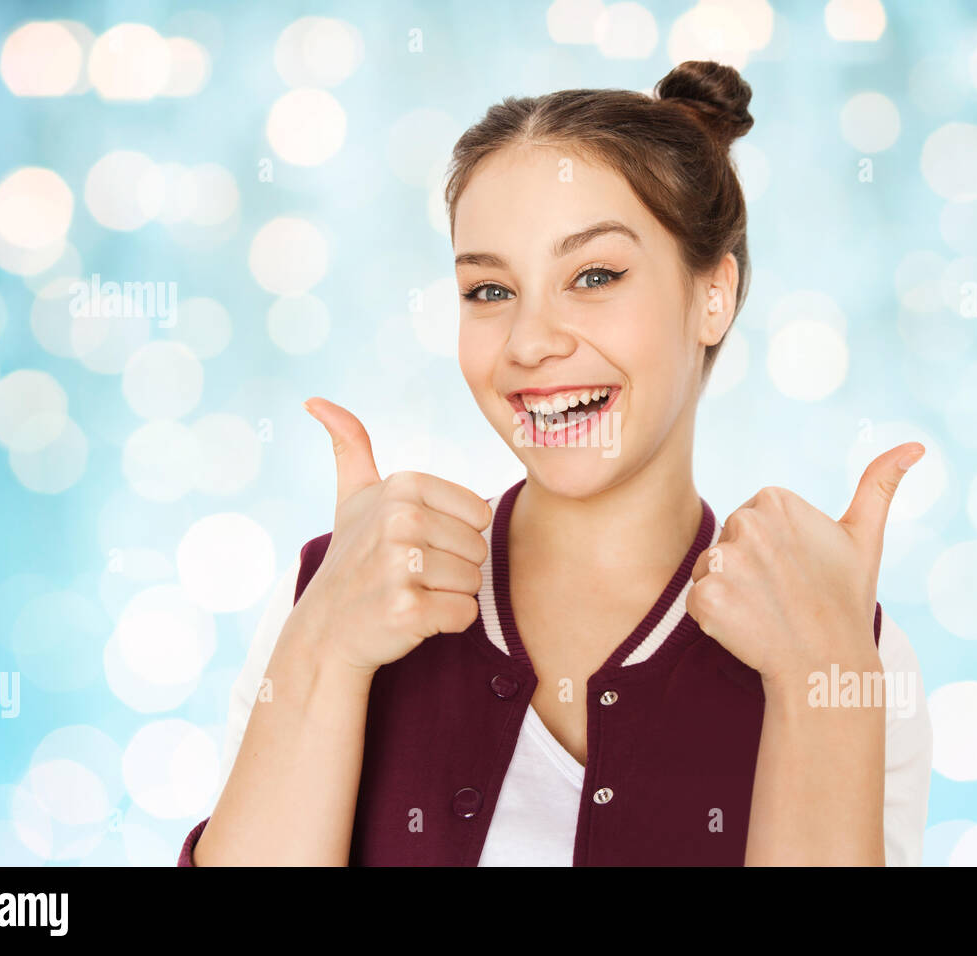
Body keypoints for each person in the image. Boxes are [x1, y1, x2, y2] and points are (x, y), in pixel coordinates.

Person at [180, 59, 931, 867]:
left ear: (713, 294)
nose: (531, 341)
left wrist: (821, 677)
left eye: (595, 276)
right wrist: (322, 647)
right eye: (490, 291)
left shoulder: (847, 641)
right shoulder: (333, 591)